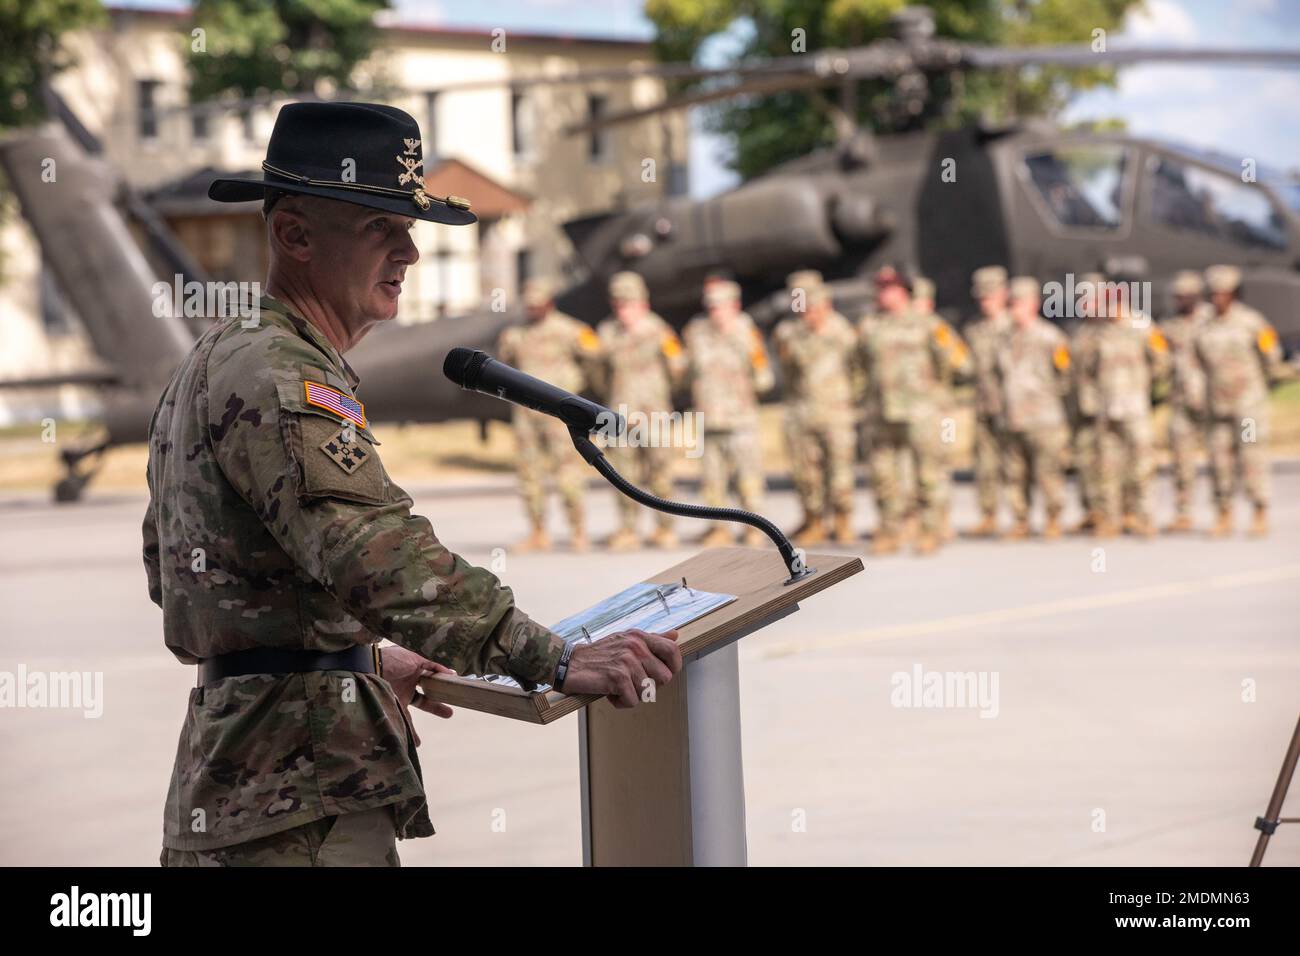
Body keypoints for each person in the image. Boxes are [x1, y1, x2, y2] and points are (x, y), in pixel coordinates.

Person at [145, 102, 681, 866]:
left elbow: (184, 575)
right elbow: (374, 552)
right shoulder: (282, 374)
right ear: (294, 234)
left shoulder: (217, 359)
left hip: (240, 792)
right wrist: (550, 658)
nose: (410, 251)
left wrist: (352, 654)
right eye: (378, 228)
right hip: (299, 803)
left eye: (410, 228)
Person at [859, 267, 965, 556]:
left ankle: (930, 530)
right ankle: (890, 531)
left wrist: (937, 391)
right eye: (880, 289)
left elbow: (959, 359)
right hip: (882, 412)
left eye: (889, 288)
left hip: (921, 411)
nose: (883, 294)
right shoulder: (870, 326)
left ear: (904, 291)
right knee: (884, 476)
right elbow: (858, 365)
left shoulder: (928, 324)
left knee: (927, 475)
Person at [496, 277, 602, 552]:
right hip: (526, 416)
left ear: (550, 304)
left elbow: (595, 363)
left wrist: (580, 393)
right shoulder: (514, 335)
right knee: (529, 474)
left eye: (538, 305)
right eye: (529, 306)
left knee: (568, 473)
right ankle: (538, 531)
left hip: (560, 416)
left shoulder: (571, 330)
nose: (533, 310)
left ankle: (579, 531)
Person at [595, 271, 686, 550]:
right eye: (619, 304)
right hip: (620, 417)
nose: (624, 310)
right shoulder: (606, 332)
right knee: (623, 475)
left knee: (660, 473)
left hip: (654, 415)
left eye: (629, 304)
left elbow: (678, 370)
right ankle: (628, 529)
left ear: (643, 303)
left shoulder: (660, 331)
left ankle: (665, 528)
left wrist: (659, 398)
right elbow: (598, 374)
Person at [1194, 264, 1286, 537]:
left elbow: (1272, 357)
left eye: (1223, 293)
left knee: (1251, 457)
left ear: (1233, 294)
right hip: (1217, 407)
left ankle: (1259, 512)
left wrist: (1257, 388)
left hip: (1247, 407)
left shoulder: (1251, 322)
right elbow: (1199, 361)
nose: (1217, 298)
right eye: (1213, 293)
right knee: (1219, 461)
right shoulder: (1203, 325)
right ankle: (1224, 515)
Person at [683, 279, 774, 547]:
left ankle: (754, 528)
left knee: (748, 477)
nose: (715, 312)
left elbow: (764, 377)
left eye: (720, 306)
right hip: (708, 417)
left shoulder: (747, 332)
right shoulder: (696, 332)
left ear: (734, 305)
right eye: (710, 306)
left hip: (739, 419)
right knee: (712, 479)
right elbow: (687, 371)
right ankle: (719, 528)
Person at [772, 270, 859, 546]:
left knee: (840, 471)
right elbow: (787, 374)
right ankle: (815, 521)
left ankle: (843, 522)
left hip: (836, 414)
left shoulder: (841, 330)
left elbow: (857, 368)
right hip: (801, 413)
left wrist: (851, 399)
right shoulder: (788, 333)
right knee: (806, 473)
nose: (809, 311)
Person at [1086, 277, 1170, 538]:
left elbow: (1162, 362)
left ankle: (1144, 517)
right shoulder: (1099, 333)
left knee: (1142, 466)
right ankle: (1111, 519)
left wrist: (1147, 391)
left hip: (1135, 408)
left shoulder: (1142, 327)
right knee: (1108, 467)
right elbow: (1088, 370)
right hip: (1107, 409)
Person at [996, 276, 1072, 539]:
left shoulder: (1050, 337)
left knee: (1048, 473)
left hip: (1045, 419)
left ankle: (1053, 519)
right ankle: (1021, 521)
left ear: (1033, 303)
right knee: (1015, 475)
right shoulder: (1003, 339)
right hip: (1013, 418)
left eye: (1019, 303)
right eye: (1011, 303)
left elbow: (1066, 376)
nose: (1013, 308)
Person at [1157, 270, 1212, 532]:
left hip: (1214, 399)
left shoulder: (1214, 320)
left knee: (1224, 457)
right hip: (1181, 400)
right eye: (1178, 296)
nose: (1181, 301)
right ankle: (1183, 512)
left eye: (1186, 296)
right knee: (1181, 459)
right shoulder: (1169, 325)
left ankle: (1227, 511)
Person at [962, 266, 1012, 537]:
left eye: (990, 296)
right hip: (983, 404)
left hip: (1013, 407)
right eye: (981, 297)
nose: (985, 302)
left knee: (1015, 465)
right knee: (985, 464)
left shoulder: (1015, 327)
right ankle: (989, 515)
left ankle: (1021, 517)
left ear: (1004, 294)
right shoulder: (974, 330)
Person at [1067, 272, 1106, 534]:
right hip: (1083, 406)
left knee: (1111, 461)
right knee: (1084, 460)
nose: (1086, 302)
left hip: (1111, 408)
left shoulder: (1122, 328)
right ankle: (1092, 510)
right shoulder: (1080, 333)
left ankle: (1116, 512)